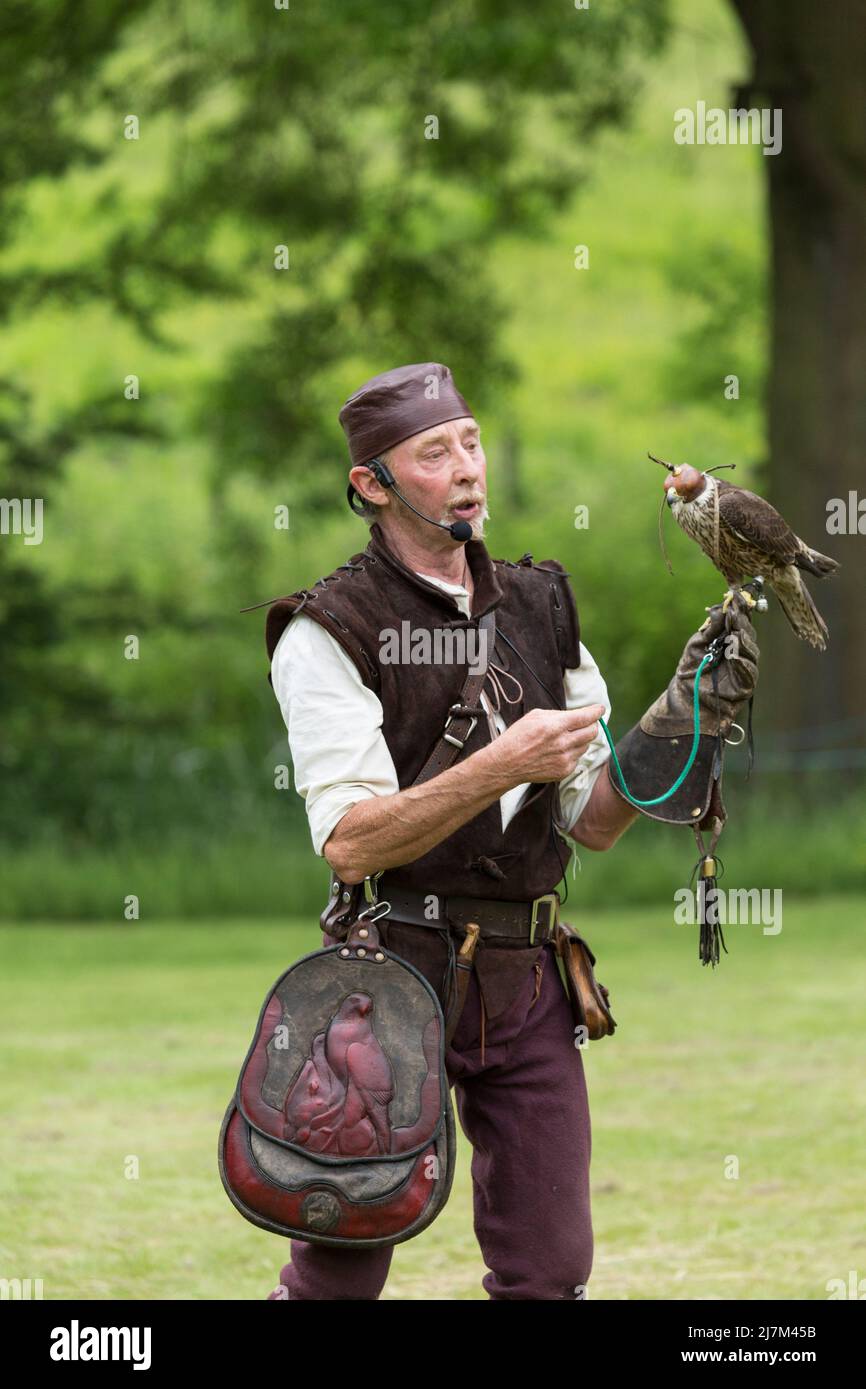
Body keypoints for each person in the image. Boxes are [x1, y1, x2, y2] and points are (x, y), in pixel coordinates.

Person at [262, 362, 759, 1300]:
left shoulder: (541, 606)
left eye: (472, 442)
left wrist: (681, 716)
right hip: (390, 979)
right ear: (372, 484)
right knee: (342, 1267)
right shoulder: (329, 629)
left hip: (529, 981)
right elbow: (352, 843)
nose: (466, 470)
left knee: (551, 1270)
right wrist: (504, 760)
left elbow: (594, 819)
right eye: (433, 453)